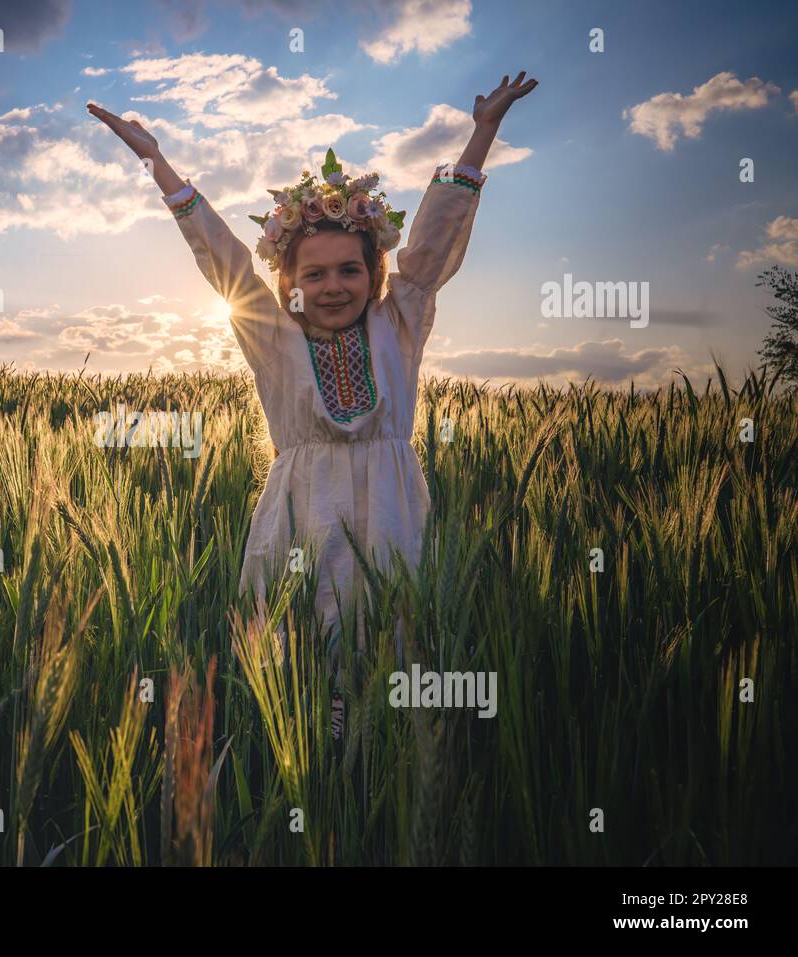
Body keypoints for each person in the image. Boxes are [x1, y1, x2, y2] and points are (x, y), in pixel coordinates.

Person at [89, 72, 537, 740]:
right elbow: (225, 261)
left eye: (349, 270)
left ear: (375, 273)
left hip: (391, 518)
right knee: (305, 666)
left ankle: (387, 782)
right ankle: (314, 786)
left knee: (393, 660)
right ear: (289, 281)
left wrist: (483, 131)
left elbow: (435, 241)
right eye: (314, 273)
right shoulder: (273, 337)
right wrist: (158, 163)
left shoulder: (400, 323)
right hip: (303, 521)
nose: (333, 286)